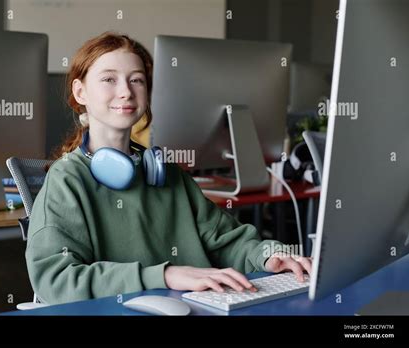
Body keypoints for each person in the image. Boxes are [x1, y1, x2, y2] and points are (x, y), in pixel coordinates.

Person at [26, 32, 312, 304]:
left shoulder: (167, 174)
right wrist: (164, 275)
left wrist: (269, 255)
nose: (126, 91)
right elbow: (56, 280)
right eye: (109, 79)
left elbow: (226, 242)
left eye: (136, 80)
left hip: (196, 306)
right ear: (80, 92)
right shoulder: (67, 179)